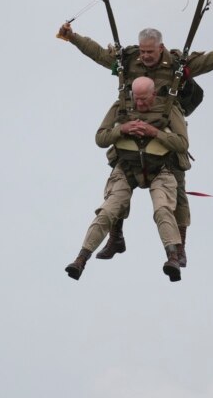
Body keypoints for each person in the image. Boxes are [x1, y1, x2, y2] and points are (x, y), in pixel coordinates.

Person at [58, 23, 213, 268]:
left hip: (165, 126)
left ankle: (179, 249)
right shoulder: (129, 60)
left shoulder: (176, 64)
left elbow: (205, 62)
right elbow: (100, 55)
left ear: (161, 48)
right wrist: (72, 37)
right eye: (143, 52)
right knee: (117, 189)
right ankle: (115, 238)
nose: (145, 56)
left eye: (150, 52)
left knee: (176, 193)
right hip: (132, 128)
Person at [66, 78, 187, 283]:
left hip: (160, 168)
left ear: (154, 95)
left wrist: (154, 133)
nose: (139, 104)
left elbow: (182, 144)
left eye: (144, 100)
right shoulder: (120, 107)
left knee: (163, 209)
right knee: (108, 210)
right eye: (136, 99)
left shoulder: (169, 108)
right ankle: (80, 260)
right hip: (127, 167)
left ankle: (173, 258)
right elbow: (101, 138)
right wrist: (122, 129)